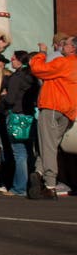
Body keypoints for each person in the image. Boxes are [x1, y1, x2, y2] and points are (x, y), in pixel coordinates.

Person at [28, 36, 77, 199]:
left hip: (52, 107)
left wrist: (41, 53)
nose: (63, 46)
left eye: (66, 44)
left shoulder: (64, 62)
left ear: (72, 49)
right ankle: (38, 172)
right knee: (49, 145)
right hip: (68, 112)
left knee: (47, 146)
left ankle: (50, 184)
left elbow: (38, 69)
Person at [0, 51, 39, 196]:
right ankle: (31, 184)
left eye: (13, 58)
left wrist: (2, 100)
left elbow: (10, 99)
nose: (11, 60)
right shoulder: (32, 77)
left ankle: (19, 188)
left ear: (20, 61)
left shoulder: (17, 77)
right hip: (29, 115)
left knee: (19, 152)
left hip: (16, 116)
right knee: (29, 151)